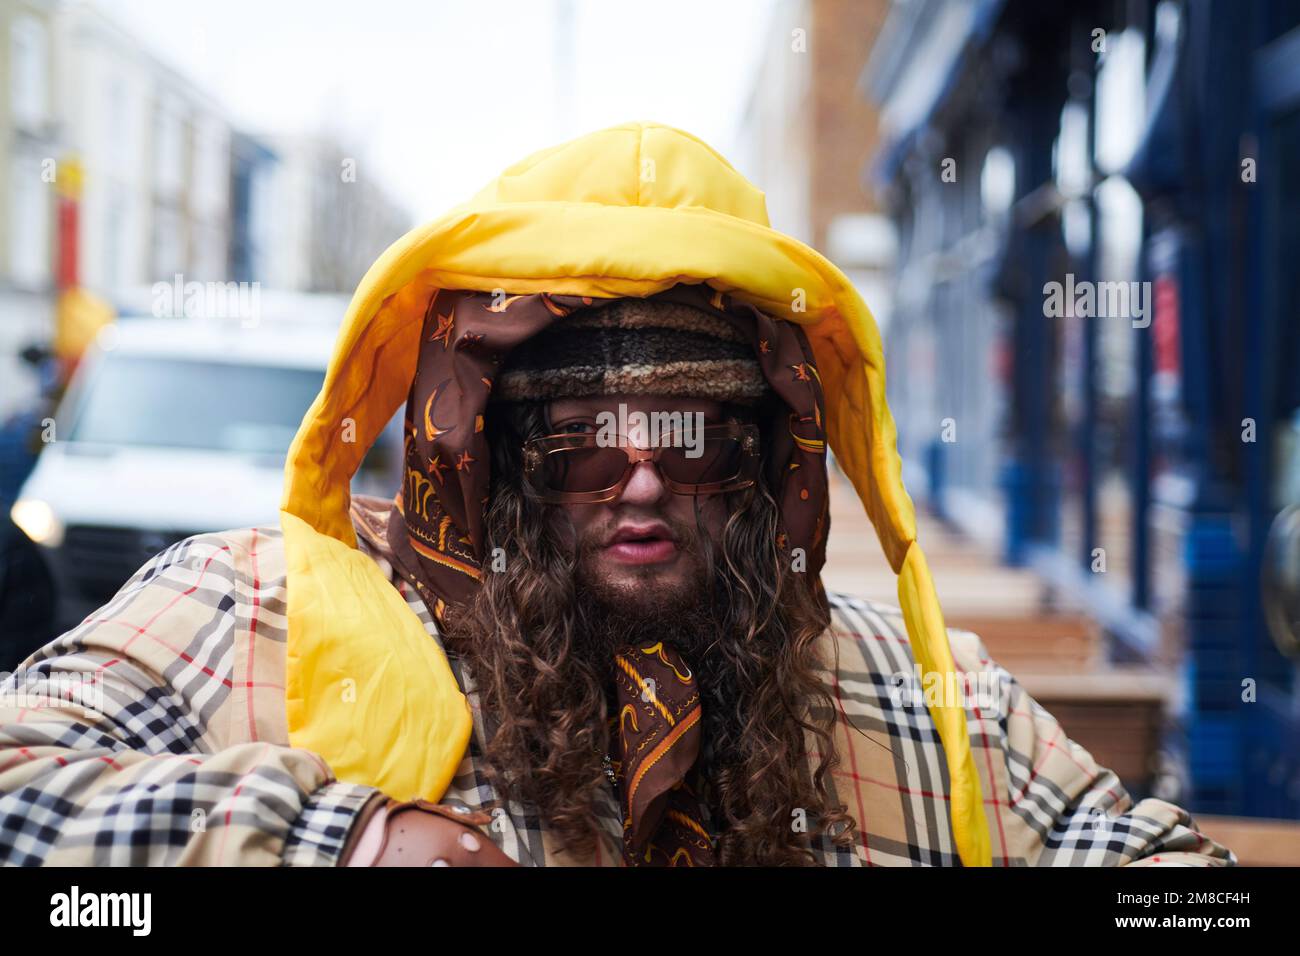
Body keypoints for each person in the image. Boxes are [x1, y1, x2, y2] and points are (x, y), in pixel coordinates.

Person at [0, 122, 1234, 867]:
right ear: (480, 440)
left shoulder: (914, 695)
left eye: (691, 434)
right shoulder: (260, 610)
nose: (641, 473)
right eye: (582, 437)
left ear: (768, 457)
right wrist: (335, 838)